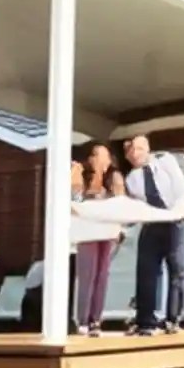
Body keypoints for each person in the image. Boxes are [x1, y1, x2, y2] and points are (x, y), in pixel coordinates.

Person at [123, 134, 184, 335]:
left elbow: (182, 189)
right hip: (152, 223)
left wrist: (178, 212)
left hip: (173, 220)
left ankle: (173, 319)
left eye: (139, 149)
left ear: (147, 149)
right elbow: (138, 205)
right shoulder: (132, 179)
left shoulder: (166, 162)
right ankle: (146, 320)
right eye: (131, 151)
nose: (135, 154)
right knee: (146, 270)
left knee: (177, 270)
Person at [71, 144, 124, 337]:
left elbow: (121, 204)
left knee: (102, 275)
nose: (101, 160)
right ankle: (83, 320)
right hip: (87, 231)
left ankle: (96, 320)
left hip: (107, 231)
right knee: (87, 274)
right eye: (97, 156)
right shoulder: (82, 177)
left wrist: (119, 229)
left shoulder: (113, 179)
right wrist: (76, 177)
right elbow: (75, 201)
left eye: (104, 157)